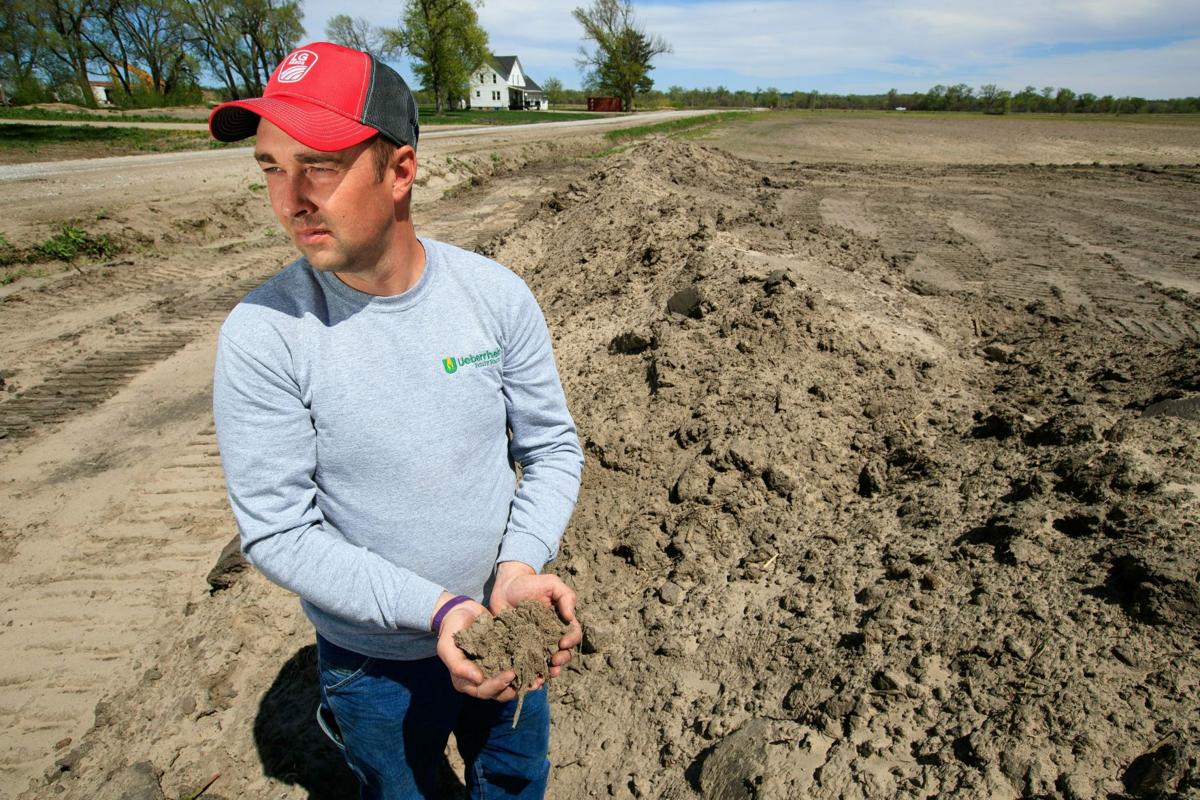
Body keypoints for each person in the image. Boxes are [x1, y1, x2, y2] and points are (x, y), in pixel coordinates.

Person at [208, 41, 584, 799]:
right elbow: (279, 530)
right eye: (271, 169)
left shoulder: (494, 297)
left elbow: (551, 448)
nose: (290, 200)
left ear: (402, 170)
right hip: (369, 664)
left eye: (318, 164)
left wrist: (518, 566)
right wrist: (434, 608)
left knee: (513, 776)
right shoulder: (265, 333)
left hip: (501, 635)